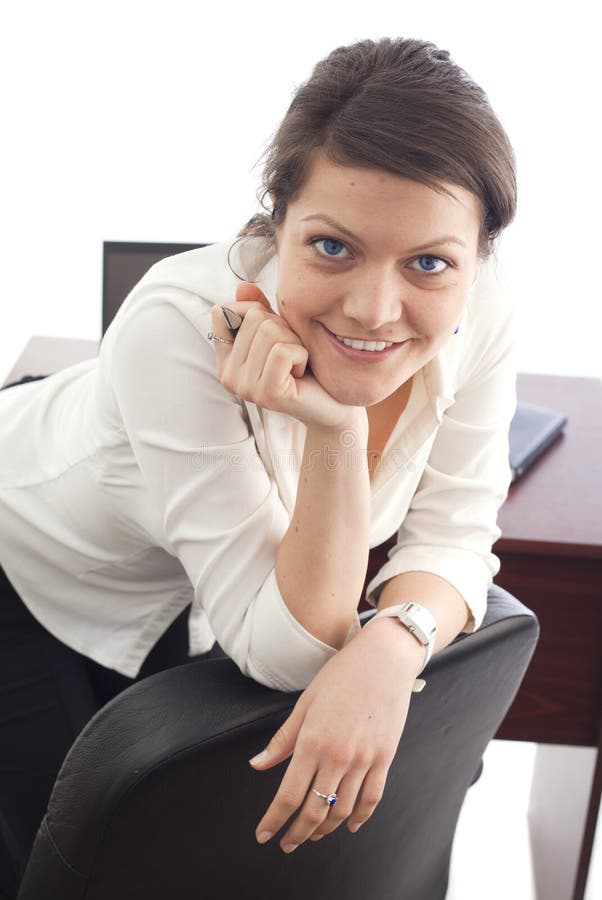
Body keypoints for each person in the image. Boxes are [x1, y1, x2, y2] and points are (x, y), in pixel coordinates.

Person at [0, 35, 517, 893]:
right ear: (277, 223)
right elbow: (288, 654)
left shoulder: (482, 300)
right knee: (77, 865)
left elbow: (458, 531)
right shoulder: (175, 326)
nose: (374, 309)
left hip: (185, 587)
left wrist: (393, 645)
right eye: (333, 247)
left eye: (429, 262)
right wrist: (336, 432)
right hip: (31, 555)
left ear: (478, 255)